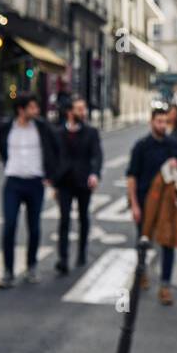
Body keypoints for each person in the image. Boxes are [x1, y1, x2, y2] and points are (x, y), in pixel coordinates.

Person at [0, 93, 59, 288]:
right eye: (32, 107)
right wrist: (9, 163)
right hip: (13, 182)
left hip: (35, 183)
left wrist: (51, 175)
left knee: (34, 227)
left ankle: (31, 266)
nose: (36, 111)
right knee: (9, 226)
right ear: (21, 110)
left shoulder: (42, 128)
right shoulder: (7, 128)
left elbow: (55, 149)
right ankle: (8, 271)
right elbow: (0, 145)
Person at [126, 107, 177, 304]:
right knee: (143, 240)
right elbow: (131, 176)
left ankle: (165, 286)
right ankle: (141, 272)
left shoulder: (174, 144)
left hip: (167, 203)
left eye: (165, 121)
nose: (162, 125)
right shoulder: (141, 146)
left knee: (168, 242)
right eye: (159, 121)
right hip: (144, 200)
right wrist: (134, 204)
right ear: (151, 122)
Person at [53, 98, 102, 275]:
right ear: (70, 112)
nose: (83, 112)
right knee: (64, 219)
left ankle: (82, 252)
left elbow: (97, 155)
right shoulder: (58, 133)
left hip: (83, 181)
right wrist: (53, 180)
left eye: (84, 109)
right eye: (79, 109)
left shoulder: (91, 132)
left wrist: (94, 174)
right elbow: (53, 157)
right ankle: (63, 258)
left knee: (83, 217)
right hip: (64, 182)